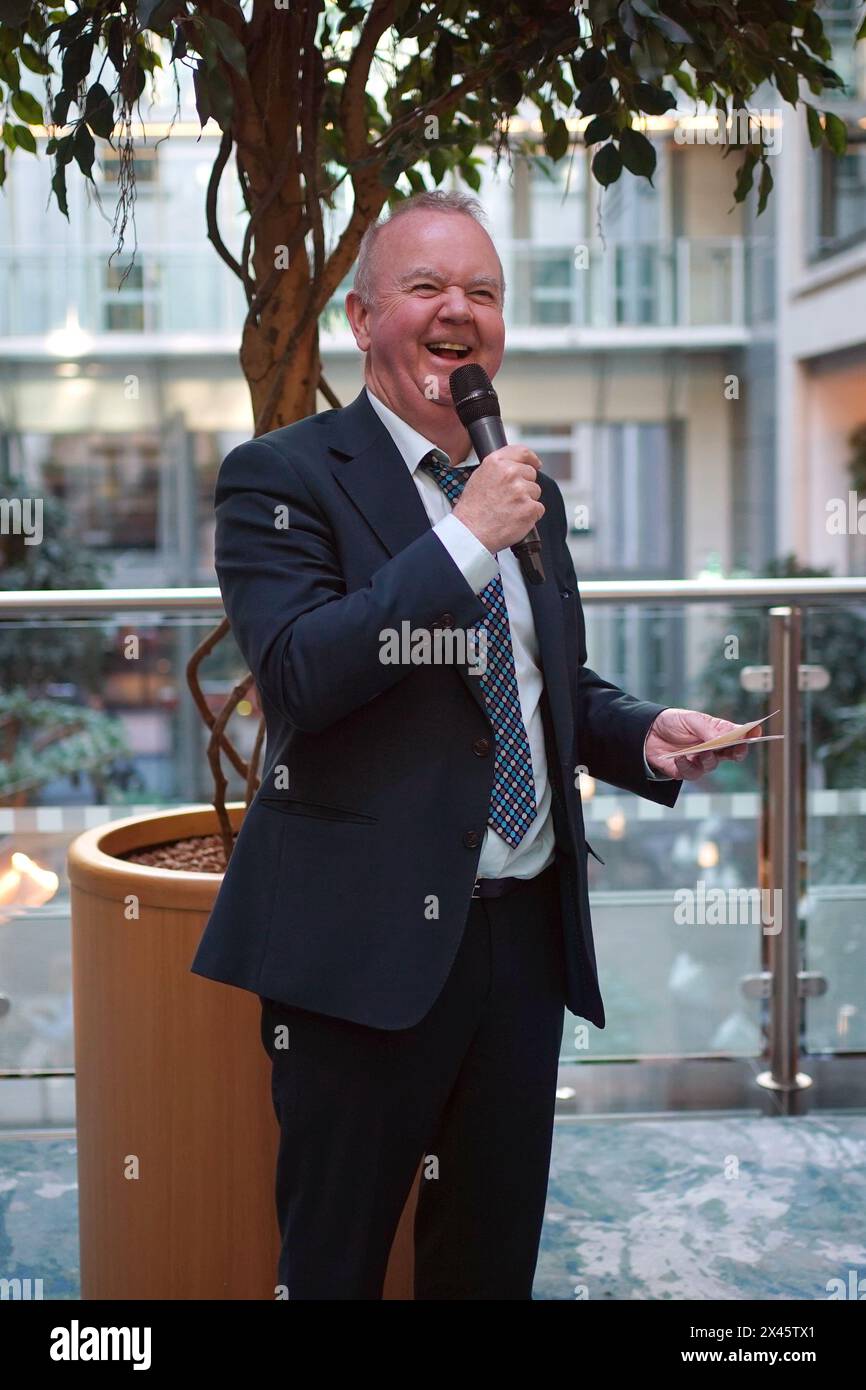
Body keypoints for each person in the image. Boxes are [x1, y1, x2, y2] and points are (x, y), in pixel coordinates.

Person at [190, 190, 754, 1300]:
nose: (459, 312)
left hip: (520, 944)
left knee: (487, 1263)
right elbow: (302, 673)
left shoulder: (512, 487)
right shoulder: (283, 476)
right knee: (334, 1264)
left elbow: (538, 681)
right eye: (426, 288)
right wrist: (461, 538)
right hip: (358, 953)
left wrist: (640, 733)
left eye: (482, 293)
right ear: (360, 317)